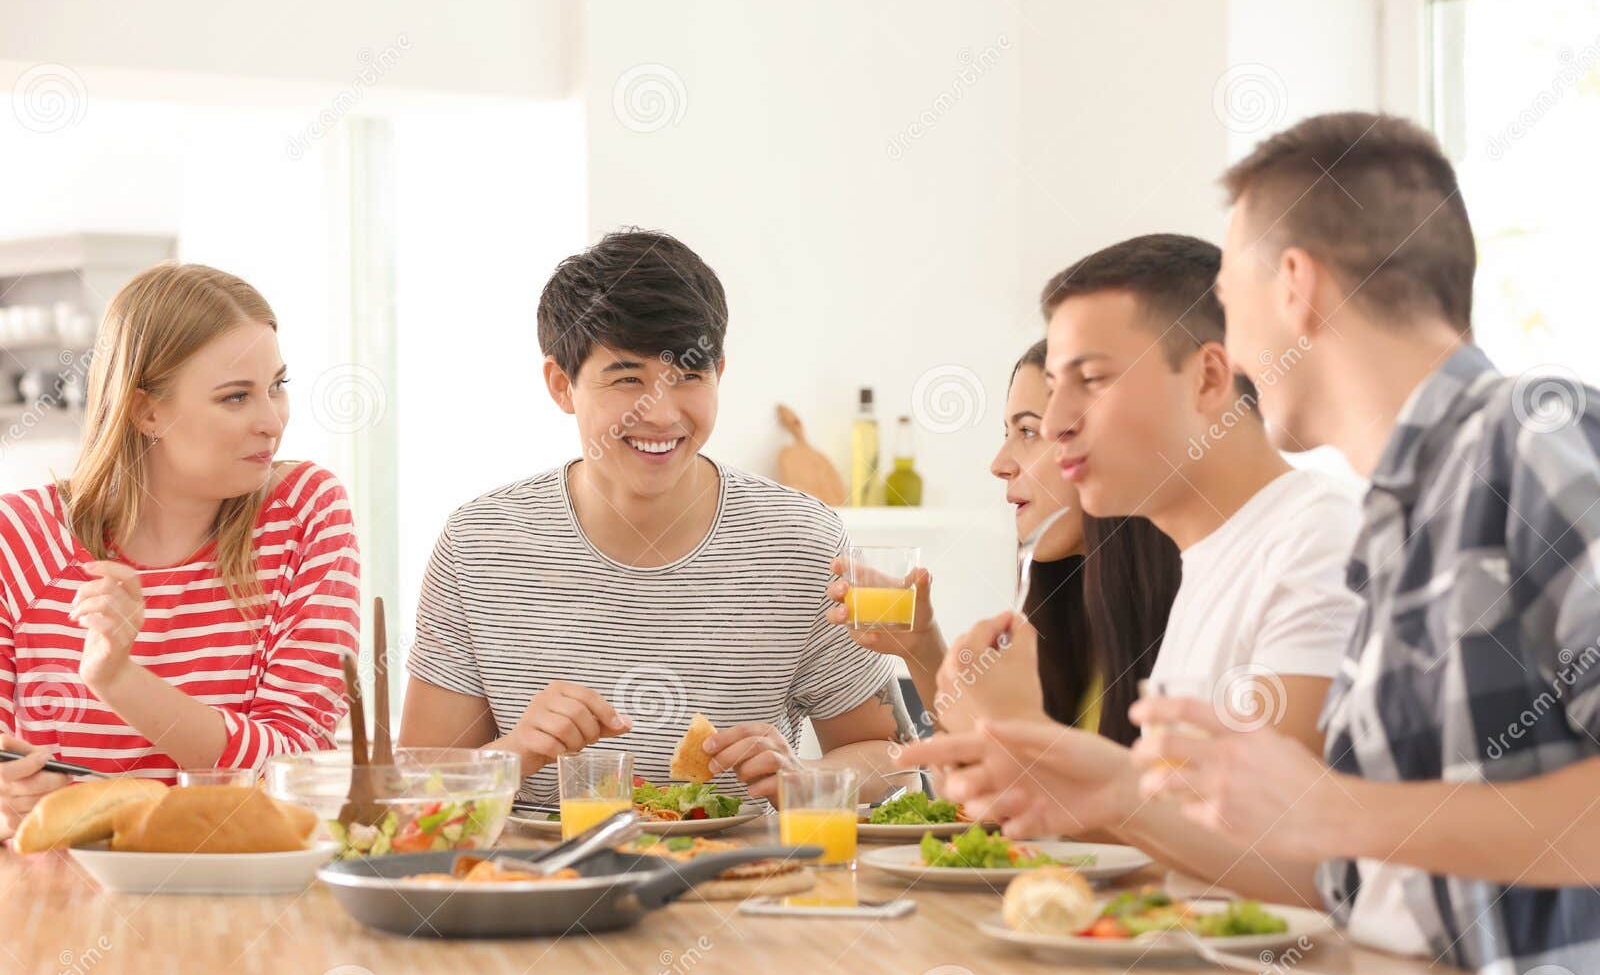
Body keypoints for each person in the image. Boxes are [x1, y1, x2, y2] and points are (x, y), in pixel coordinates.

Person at [1125, 111, 1600, 975]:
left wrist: (1338, 809)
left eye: (1230, 296)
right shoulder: (1393, 525)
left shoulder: (1529, 434)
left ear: (1297, 283)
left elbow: (1360, 823)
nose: (1231, 348)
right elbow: (1371, 881)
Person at [898, 233, 1363, 905]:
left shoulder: (1318, 539)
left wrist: (1077, 771)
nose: (1057, 423)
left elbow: (1307, 871)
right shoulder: (1205, 565)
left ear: (1208, 378)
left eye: (1090, 381)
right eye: (1055, 389)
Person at [400, 230, 911, 804]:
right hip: (536, 885)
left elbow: (894, 762)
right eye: (627, 379)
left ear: (720, 370)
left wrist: (805, 778)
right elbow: (415, 786)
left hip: (747, 884)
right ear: (561, 385)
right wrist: (515, 755)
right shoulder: (479, 544)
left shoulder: (803, 542)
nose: (661, 414)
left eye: (690, 376)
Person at [0, 264, 361, 842]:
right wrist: (8, 804)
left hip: (246, 897)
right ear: (146, 410)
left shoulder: (303, 513)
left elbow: (289, 767)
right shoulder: (19, 538)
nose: (272, 421)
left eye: (278, 386)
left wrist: (118, 679)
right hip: (58, 903)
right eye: (236, 397)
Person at [825, 340, 1180, 746]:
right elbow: (988, 770)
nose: (999, 463)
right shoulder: (1080, 620)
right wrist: (920, 645)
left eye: (1028, 431)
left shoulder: (1195, 633)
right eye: (1007, 432)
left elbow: (1037, 789)